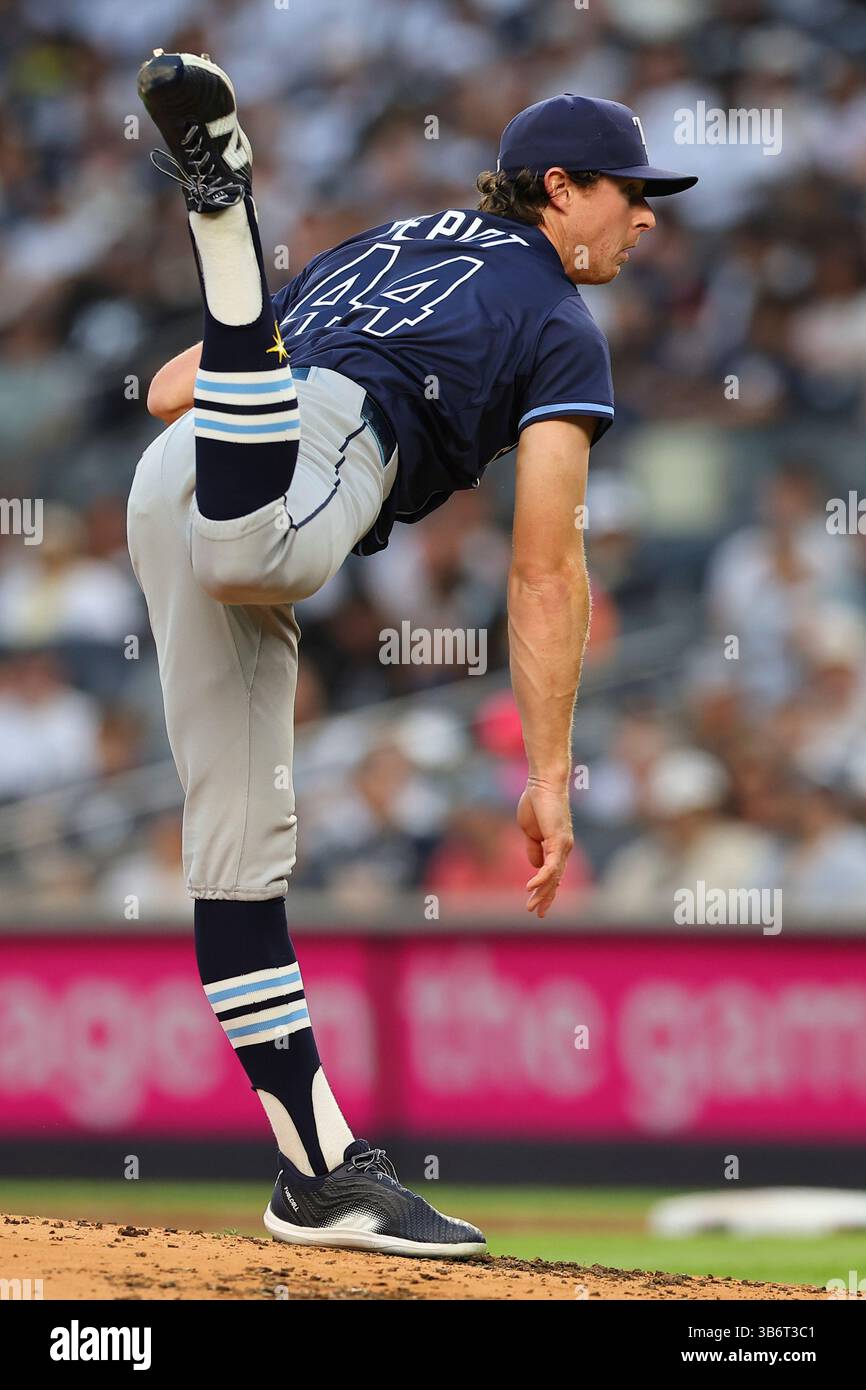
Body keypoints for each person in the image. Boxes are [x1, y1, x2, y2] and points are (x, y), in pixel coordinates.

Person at [127, 52, 696, 1257]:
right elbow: (544, 569)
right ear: (557, 188)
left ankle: (315, 1171)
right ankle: (221, 219)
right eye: (626, 190)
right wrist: (548, 774)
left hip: (185, 466)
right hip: (302, 449)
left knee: (239, 851)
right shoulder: (556, 318)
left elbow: (170, 387)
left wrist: (253, 359)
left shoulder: (384, 244)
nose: (646, 214)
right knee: (254, 550)